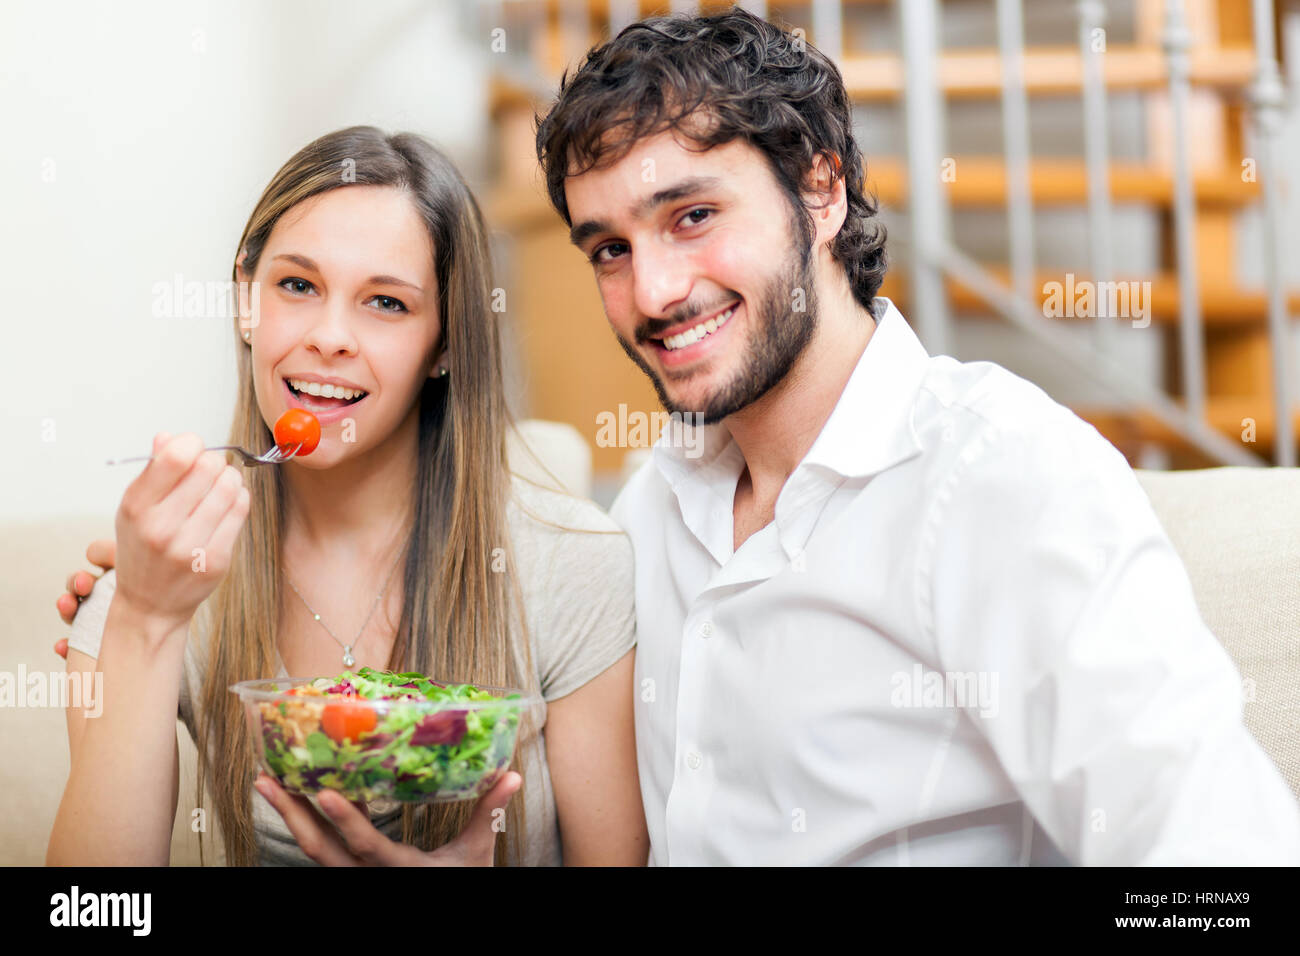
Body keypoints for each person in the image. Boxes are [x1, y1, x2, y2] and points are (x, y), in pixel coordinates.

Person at [528, 7, 1300, 864]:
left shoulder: (999, 474)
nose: (654, 293)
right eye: (609, 250)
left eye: (692, 216)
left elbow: (1219, 858)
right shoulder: (652, 505)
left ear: (819, 191)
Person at [48, 126, 648, 867]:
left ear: (447, 344)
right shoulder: (154, 583)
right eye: (297, 286)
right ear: (245, 298)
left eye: (387, 304)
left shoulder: (570, 565)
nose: (330, 337)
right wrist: (141, 619)